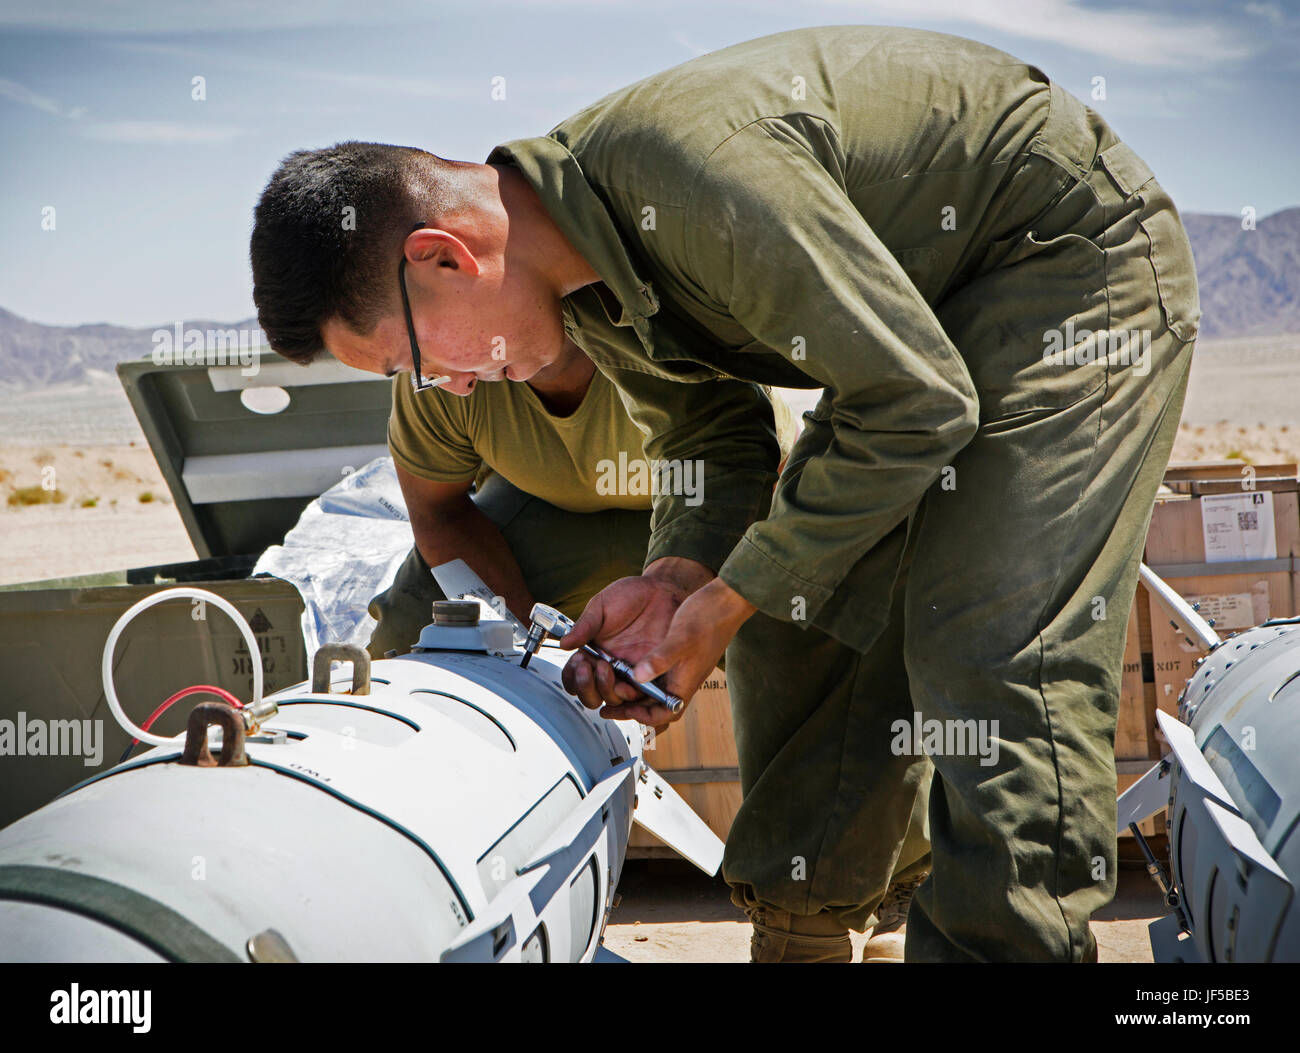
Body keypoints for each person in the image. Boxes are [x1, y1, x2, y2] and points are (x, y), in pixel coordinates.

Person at [249, 26, 1198, 962]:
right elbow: (714, 430)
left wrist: (727, 600)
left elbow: (913, 400)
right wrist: (679, 581)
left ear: (444, 257)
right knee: (801, 604)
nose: (447, 390)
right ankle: (810, 932)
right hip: (927, 332)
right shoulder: (586, 273)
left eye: (413, 358)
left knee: (987, 642)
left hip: (1066, 263)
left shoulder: (690, 179)